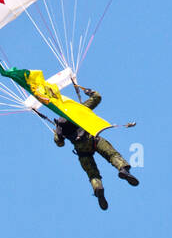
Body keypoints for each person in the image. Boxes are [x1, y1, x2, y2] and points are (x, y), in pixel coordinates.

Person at [53, 80, 138, 211]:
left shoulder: (59, 124)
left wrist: (57, 132)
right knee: (112, 154)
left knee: (92, 174)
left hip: (81, 151)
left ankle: (98, 188)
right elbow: (97, 98)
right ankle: (123, 169)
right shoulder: (77, 110)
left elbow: (59, 143)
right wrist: (88, 91)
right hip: (93, 139)